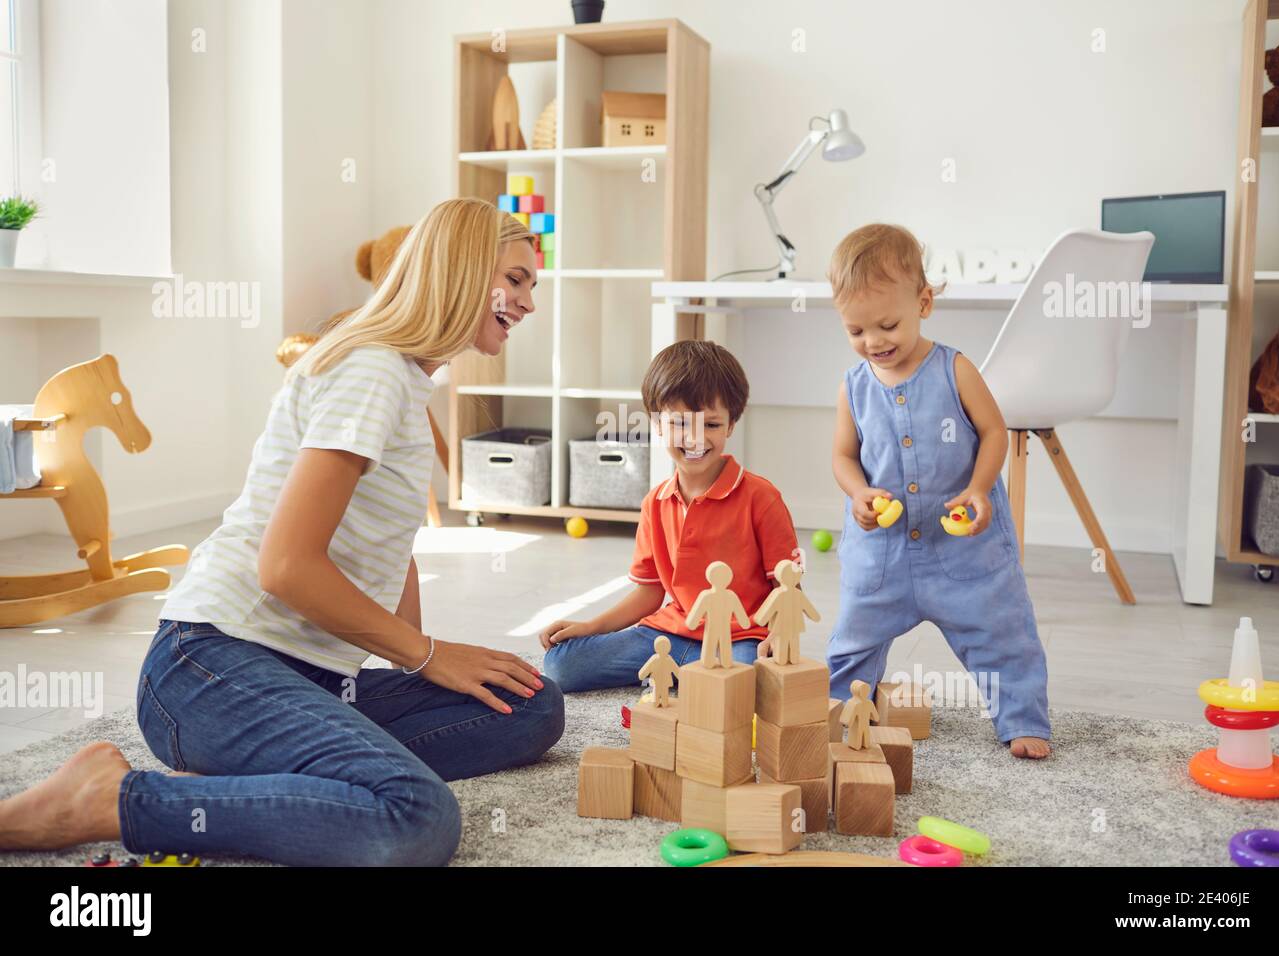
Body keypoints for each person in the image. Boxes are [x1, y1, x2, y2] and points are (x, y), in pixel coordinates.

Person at [0, 198, 566, 865]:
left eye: (533, 284)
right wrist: (426, 655)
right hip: (209, 667)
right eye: (516, 279)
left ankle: (260, 782)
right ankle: (110, 800)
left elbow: (388, 546)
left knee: (530, 705)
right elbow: (286, 566)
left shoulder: (407, 380)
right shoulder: (371, 371)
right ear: (462, 270)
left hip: (313, 678)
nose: (529, 302)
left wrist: (420, 666)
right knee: (414, 820)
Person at [826, 223, 1051, 759]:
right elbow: (843, 456)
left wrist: (978, 489)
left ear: (923, 303)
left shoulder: (955, 369)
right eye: (856, 330)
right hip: (882, 554)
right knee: (852, 642)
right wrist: (858, 494)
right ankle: (839, 712)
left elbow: (994, 432)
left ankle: (1023, 719)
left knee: (1002, 634)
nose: (873, 342)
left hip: (965, 551)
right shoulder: (853, 386)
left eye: (887, 325)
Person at [540, 340, 800, 690]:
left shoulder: (761, 497)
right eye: (679, 423)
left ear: (731, 425)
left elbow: (788, 586)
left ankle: (694, 680)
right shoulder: (655, 503)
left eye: (711, 424)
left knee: (742, 689)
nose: (694, 438)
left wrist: (779, 635)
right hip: (669, 634)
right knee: (561, 665)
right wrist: (590, 627)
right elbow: (649, 594)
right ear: (657, 424)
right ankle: (689, 676)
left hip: (739, 639)